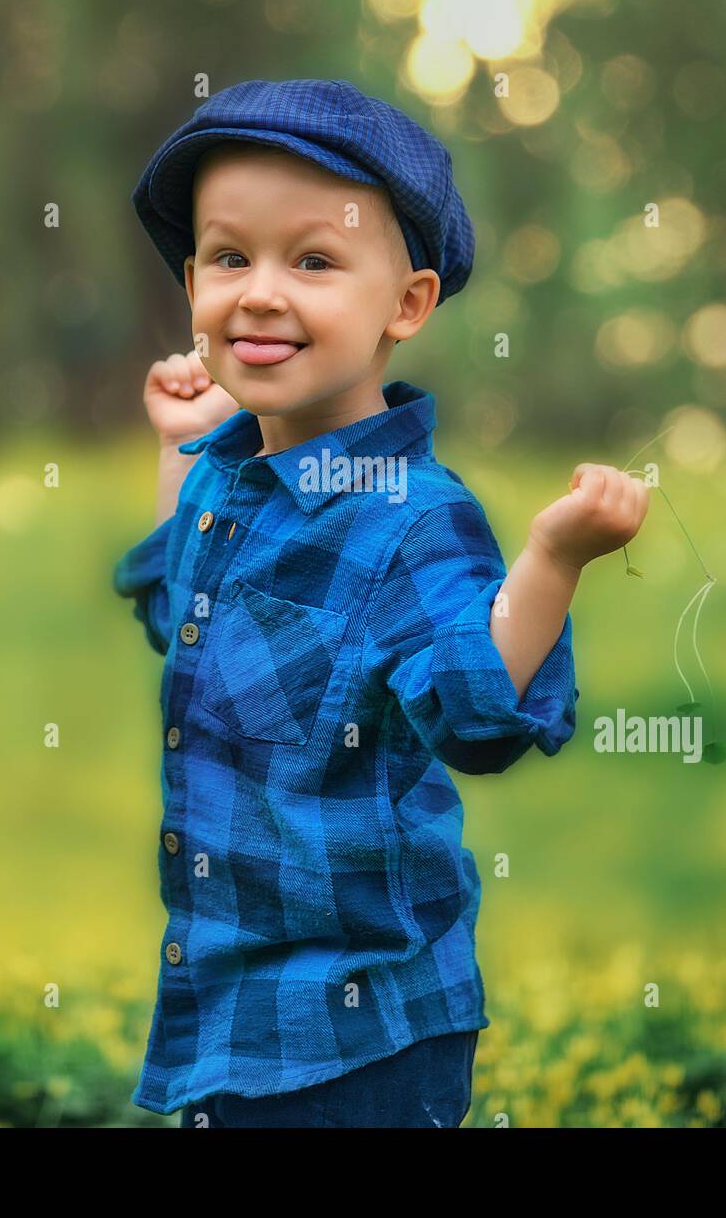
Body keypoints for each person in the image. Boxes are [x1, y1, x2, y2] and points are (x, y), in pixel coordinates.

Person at [114, 78, 649, 1127]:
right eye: (230, 257)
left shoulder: (409, 516)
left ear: (405, 301)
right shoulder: (226, 475)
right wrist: (179, 449)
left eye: (312, 261)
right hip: (229, 1006)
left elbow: (476, 715)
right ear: (191, 283)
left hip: (363, 1031)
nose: (259, 292)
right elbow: (180, 610)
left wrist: (553, 557)